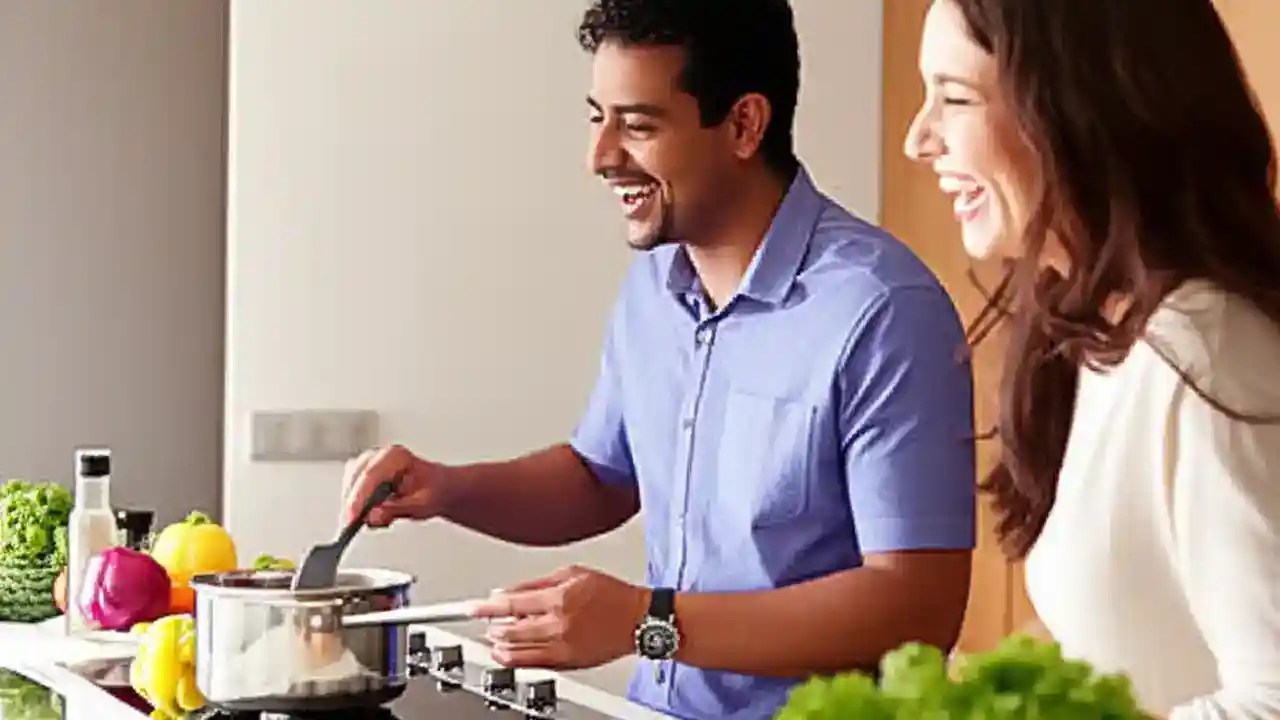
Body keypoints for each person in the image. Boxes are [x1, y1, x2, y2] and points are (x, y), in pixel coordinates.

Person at [343, 1, 977, 718]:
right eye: (597, 118)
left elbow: (918, 608)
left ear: (743, 124)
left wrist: (648, 620)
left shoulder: (883, 309)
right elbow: (599, 478)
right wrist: (445, 488)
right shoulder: (656, 283)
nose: (601, 156)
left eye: (638, 125)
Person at [904, 0, 1280, 718]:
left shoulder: (1206, 354)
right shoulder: (1099, 335)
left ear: (1076, 110)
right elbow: (1126, 639)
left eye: (954, 98)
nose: (918, 140)